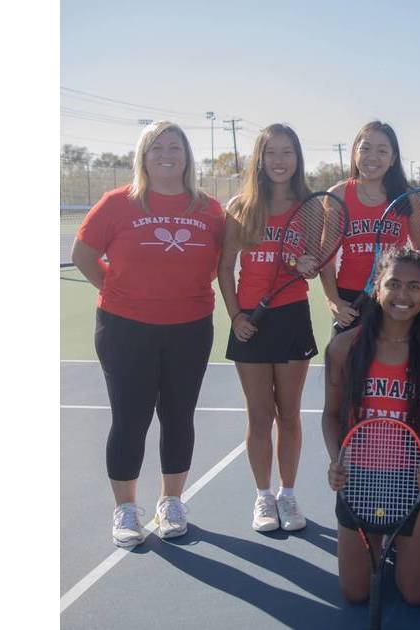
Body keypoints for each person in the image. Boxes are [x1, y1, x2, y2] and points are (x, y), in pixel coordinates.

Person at [71, 121, 224, 547]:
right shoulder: (117, 203)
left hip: (190, 328)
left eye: (174, 147)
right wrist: (118, 291)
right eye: (156, 148)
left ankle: (171, 502)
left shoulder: (210, 209)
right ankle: (126, 509)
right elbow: (82, 254)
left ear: (187, 156)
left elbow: (219, 263)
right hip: (125, 330)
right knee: (130, 418)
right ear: (143, 156)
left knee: (178, 416)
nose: (166, 155)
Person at [323, 248, 420, 604]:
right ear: (376, 287)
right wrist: (337, 460)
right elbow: (331, 415)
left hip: (415, 481)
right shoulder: (344, 346)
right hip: (360, 479)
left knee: (417, 595)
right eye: (393, 284)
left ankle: (415, 537)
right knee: (355, 593)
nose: (402, 294)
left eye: (414, 286)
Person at [218, 123, 317, 532]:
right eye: (271, 152)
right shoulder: (240, 207)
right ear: (259, 159)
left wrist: (308, 264)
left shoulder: (310, 206)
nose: (279, 160)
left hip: (292, 316)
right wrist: (236, 317)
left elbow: (311, 261)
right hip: (250, 322)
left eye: (287, 152)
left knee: (289, 414)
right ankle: (263, 496)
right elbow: (225, 268)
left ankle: (287, 495)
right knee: (259, 417)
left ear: (297, 158)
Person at [324, 121, 420, 331]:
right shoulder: (337, 195)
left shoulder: (408, 198)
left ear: (393, 159)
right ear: (355, 152)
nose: (372, 157)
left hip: (394, 297)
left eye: (382, 151)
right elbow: (327, 258)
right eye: (365, 149)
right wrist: (334, 301)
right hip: (349, 300)